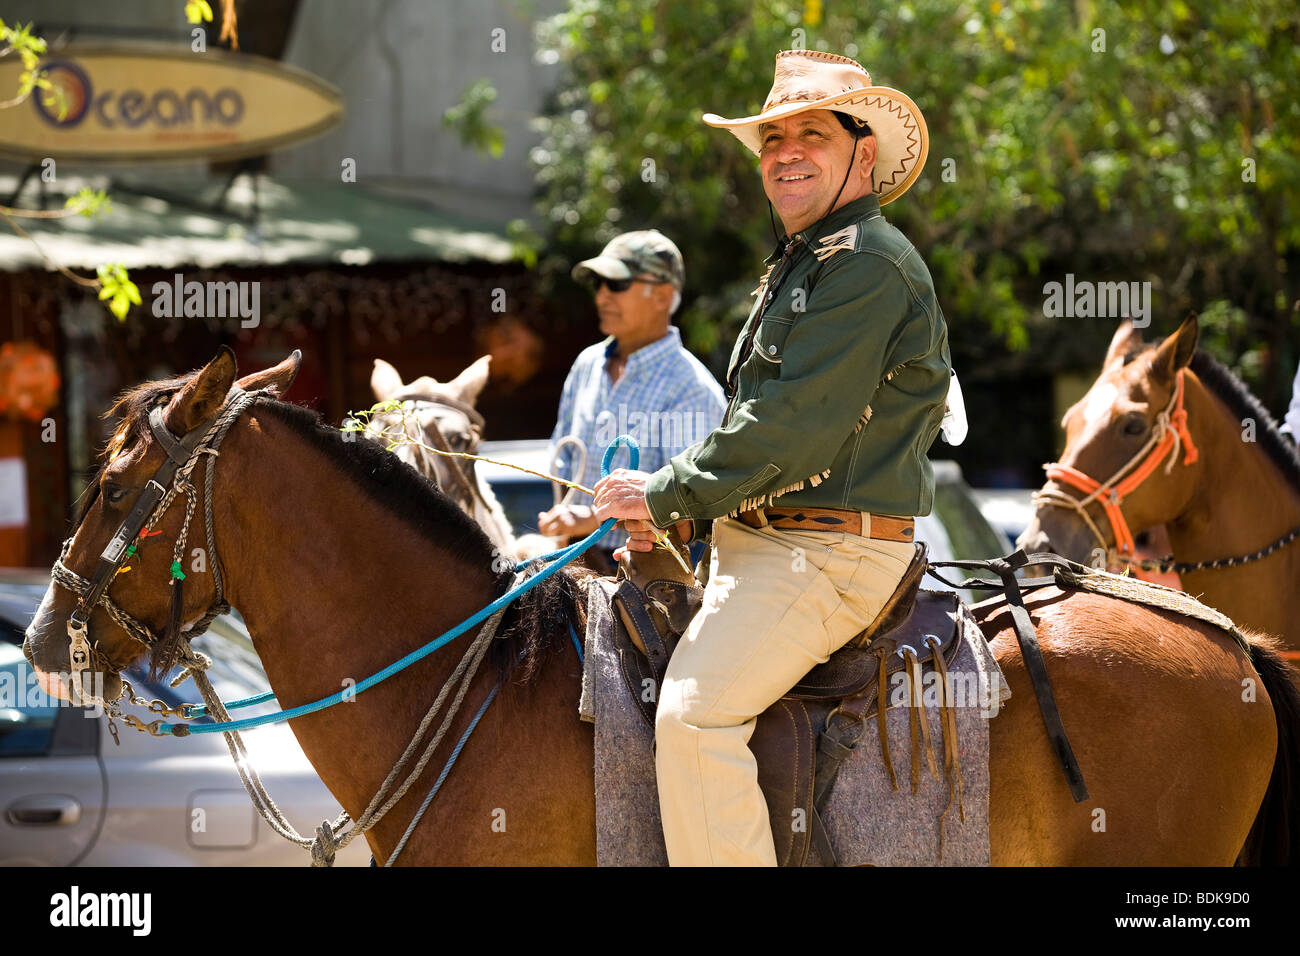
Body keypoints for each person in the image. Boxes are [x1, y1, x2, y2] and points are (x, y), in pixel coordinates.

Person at [592, 50, 952, 866]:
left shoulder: (866, 264)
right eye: (772, 138)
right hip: (765, 544)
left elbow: (791, 430)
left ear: (864, 153)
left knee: (692, 717)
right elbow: (761, 430)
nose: (785, 151)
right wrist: (681, 517)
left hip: (826, 553)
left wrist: (664, 493)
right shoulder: (808, 260)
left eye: (811, 133)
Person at [539, 230, 725, 572]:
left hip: (644, 585)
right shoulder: (587, 365)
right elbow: (561, 459)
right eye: (598, 284)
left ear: (662, 296)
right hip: (564, 566)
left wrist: (594, 519)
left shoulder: (693, 389)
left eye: (617, 284)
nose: (602, 297)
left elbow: (695, 513)